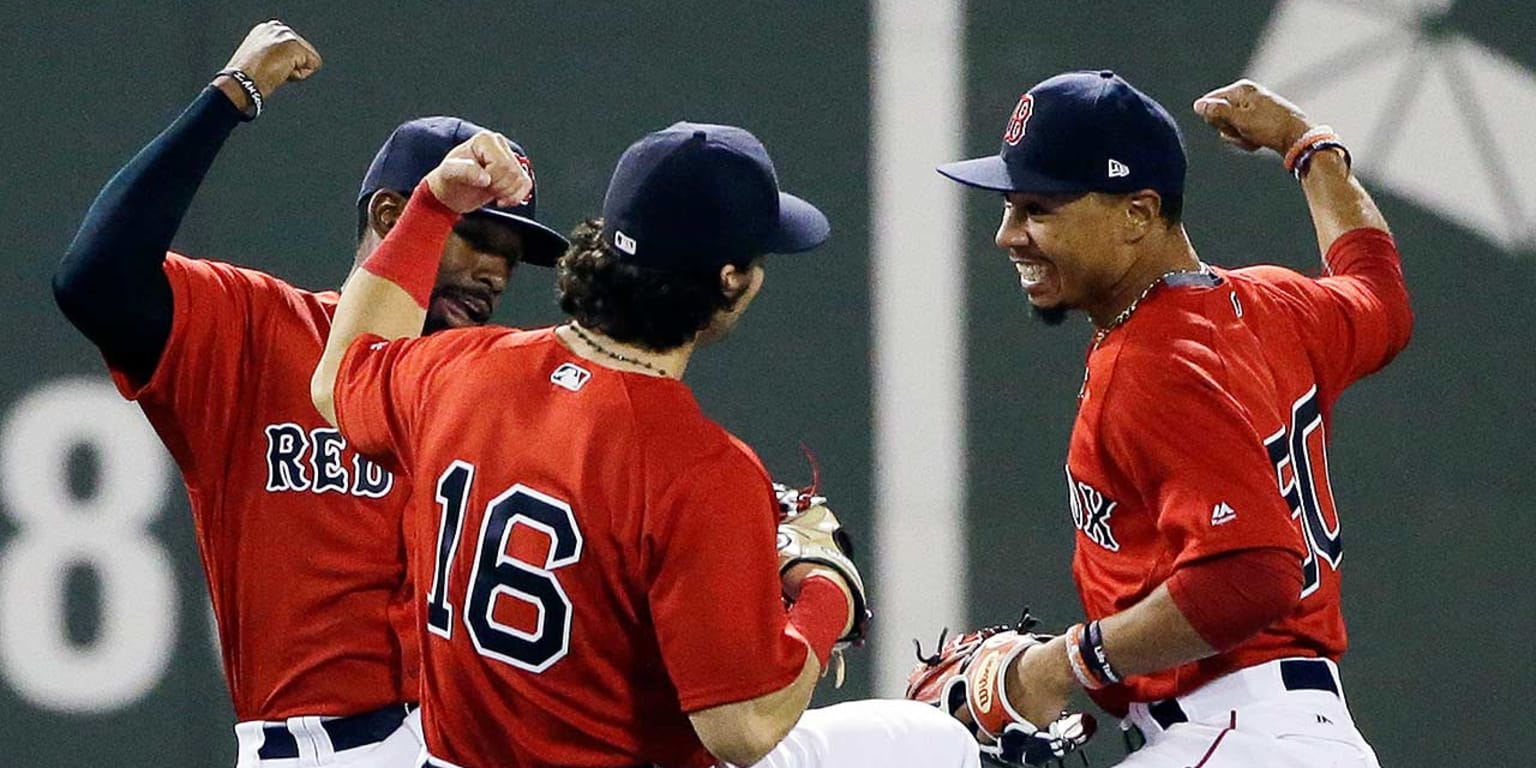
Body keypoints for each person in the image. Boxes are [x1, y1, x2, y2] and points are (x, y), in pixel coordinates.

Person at [310, 121, 981, 768]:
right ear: (730, 279)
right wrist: (827, 591)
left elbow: (338, 375)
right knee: (933, 740)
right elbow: (741, 728)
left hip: (446, 757)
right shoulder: (699, 469)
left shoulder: (459, 369)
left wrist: (431, 206)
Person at [51, 20, 567, 767]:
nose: (496, 271)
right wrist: (232, 94)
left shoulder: (492, 383)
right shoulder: (258, 331)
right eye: (479, 238)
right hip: (323, 748)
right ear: (394, 216)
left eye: (512, 256)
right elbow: (94, 279)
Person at [934, 71, 1412, 767]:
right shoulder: (1273, 303)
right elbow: (1379, 297)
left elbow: (1253, 573)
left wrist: (1060, 665)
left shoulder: (1155, 361)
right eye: (1010, 208)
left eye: (1039, 208)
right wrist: (1310, 147)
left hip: (1232, 731)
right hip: (1298, 734)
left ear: (1136, 214)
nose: (1009, 236)